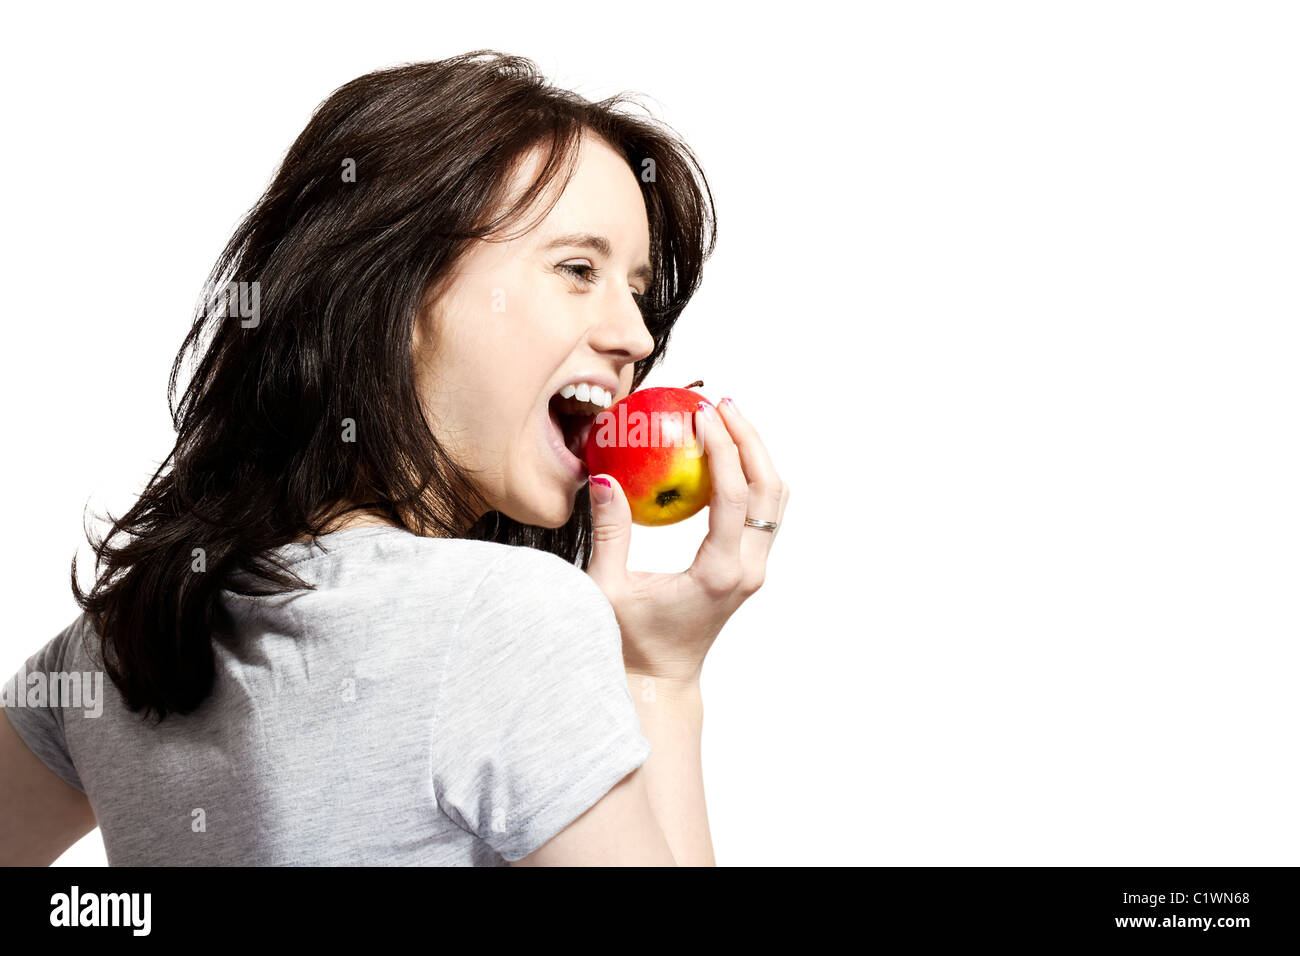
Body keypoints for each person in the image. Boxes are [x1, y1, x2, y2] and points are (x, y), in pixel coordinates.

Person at [0, 50, 788, 866]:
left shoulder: (113, 645)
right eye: (577, 269)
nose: (636, 337)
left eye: (636, 288)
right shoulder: (506, 615)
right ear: (393, 292)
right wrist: (661, 681)